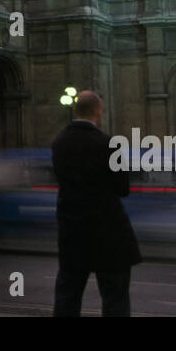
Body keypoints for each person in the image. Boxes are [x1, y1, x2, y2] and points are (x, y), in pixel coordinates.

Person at [51, 90, 141, 317]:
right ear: (98, 112)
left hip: (72, 231)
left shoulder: (59, 142)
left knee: (67, 296)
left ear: (75, 110)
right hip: (107, 233)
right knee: (114, 298)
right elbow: (123, 189)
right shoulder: (111, 145)